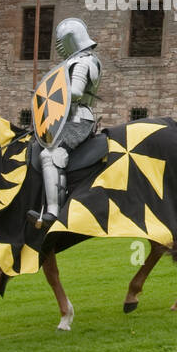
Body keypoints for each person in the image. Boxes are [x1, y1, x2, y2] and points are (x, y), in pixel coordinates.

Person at [29, 18, 101, 228]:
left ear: (70, 40)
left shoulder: (83, 61)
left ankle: (53, 212)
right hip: (66, 119)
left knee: (50, 155)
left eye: (61, 41)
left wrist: (46, 95)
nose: (58, 46)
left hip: (77, 120)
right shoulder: (80, 59)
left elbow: (77, 92)